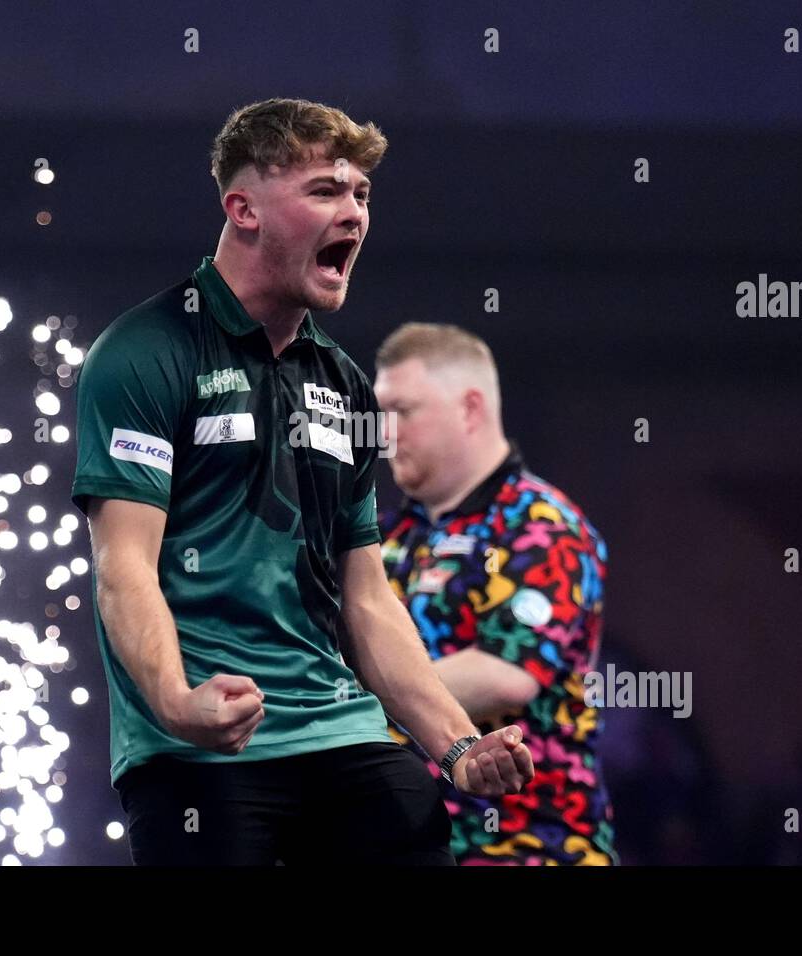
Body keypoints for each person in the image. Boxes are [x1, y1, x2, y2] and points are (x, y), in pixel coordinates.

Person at [69, 98, 533, 865]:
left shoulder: (345, 385)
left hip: (341, 732)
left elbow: (365, 597)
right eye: (325, 191)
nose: (353, 213)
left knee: (411, 812)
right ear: (243, 209)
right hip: (201, 752)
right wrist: (179, 704)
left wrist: (457, 747)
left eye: (362, 195)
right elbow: (124, 569)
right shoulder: (145, 352)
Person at [373, 322, 618, 865]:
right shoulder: (386, 538)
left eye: (402, 410)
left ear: (470, 408)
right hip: (413, 848)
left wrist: (339, 703)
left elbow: (506, 675)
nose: (384, 431)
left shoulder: (542, 526)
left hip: (532, 846)